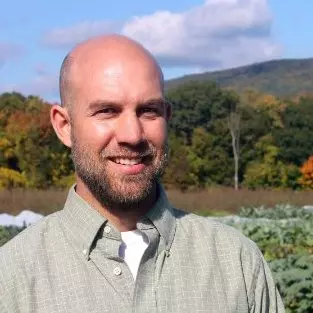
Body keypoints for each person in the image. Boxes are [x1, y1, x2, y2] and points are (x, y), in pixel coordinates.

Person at [0, 34, 285, 313]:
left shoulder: (237, 263)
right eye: (107, 111)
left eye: (149, 111)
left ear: (167, 118)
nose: (132, 135)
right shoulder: (12, 278)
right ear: (64, 126)